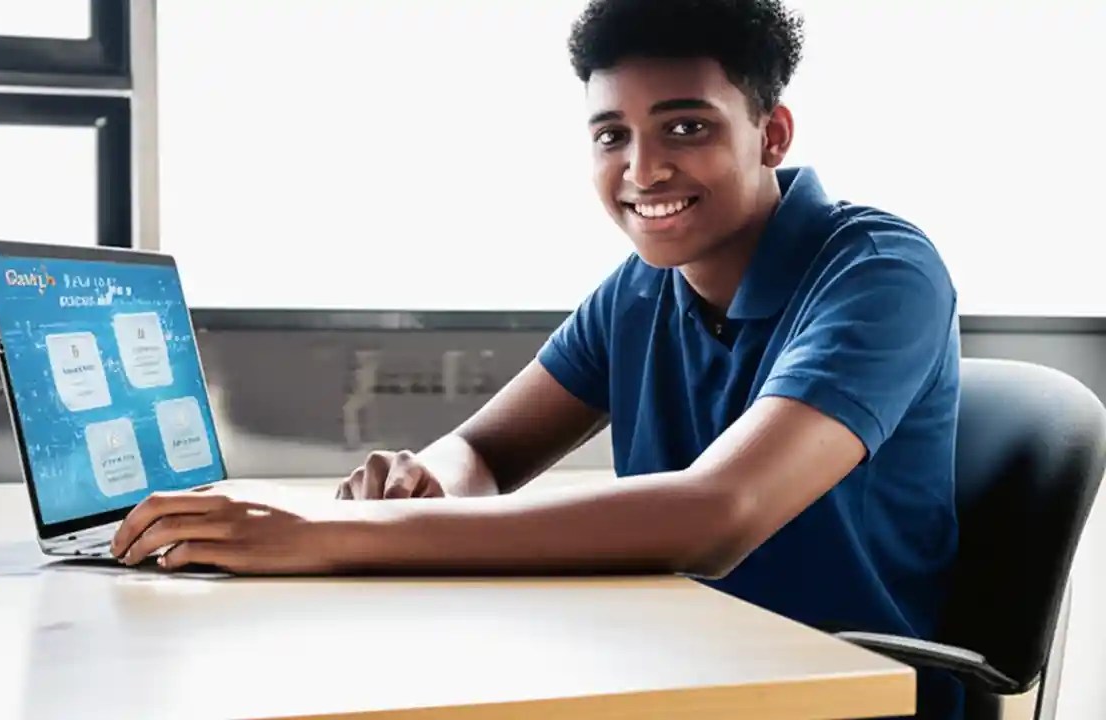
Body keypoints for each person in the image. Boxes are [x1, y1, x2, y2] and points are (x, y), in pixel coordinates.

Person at [111, 0, 961, 716]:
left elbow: (718, 515)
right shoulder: (637, 290)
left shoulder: (879, 271)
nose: (643, 167)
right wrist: (424, 483)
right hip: (686, 667)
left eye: (686, 127)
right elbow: (486, 450)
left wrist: (336, 534)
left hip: (838, 691)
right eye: (610, 136)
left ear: (770, 133)